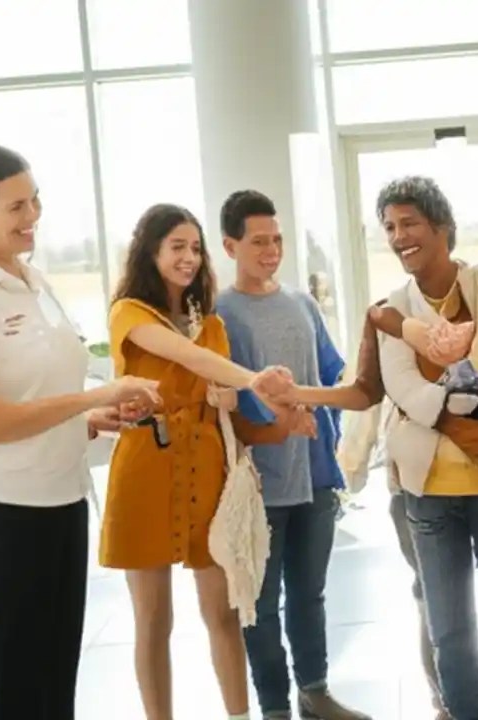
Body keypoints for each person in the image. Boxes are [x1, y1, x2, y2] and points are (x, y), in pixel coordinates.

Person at [0, 144, 163, 720]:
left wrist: (94, 419)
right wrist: (96, 395)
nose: (33, 215)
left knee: (53, 682)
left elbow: (37, 396)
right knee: (14, 688)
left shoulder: (34, 282)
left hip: (59, 500)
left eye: (36, 199)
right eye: (16, 206)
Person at [99, 202, 314, 720]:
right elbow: (183, 356)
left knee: (222, 611)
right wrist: (249, 379)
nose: (189, 258)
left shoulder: (212, 324)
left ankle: (239, 716)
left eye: (195, 248)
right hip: (146, 469)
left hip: (208, 470)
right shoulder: (129, 312)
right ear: (150, 251)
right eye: (177, 247)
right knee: (153, 619)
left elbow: (221, 392)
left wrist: (237, 400)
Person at [370, 175, 478, 720]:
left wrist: (440, 394)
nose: (400, 236)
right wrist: (460, 400)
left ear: (442, 228)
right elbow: (399, 383)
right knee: (450, 629)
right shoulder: (392, 308)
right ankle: (470, 713)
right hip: (426, 493)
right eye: (390, 228)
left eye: (410, 223)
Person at [212, 190, 370, 720]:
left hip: (317, 478)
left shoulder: (303, 303)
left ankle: (316, 692)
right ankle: (275, 707)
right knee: (260, 605)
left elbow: (332, 373)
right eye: (259, 241)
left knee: (311, 594)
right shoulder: (221, 315)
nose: (271, 250)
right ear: (230, 244)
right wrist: (277, 423)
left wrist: (329, 432)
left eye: (277, 239)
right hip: (261, 484)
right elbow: (227, 402)